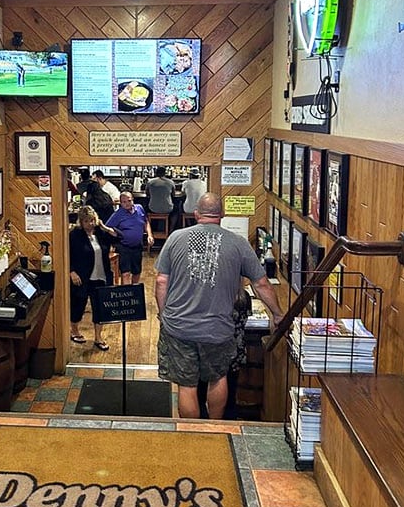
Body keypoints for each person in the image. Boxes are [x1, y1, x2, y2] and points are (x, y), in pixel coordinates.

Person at [154, 192, 283, 420]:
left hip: (179, 326)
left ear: (196, 214)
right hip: (218, 327)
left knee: (187, 384)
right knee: (218, 376)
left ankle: (191, 434)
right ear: (222, 215)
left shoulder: (175, 238)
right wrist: (277, 313)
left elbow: (161, 280)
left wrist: (164, 314)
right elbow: (262, 283)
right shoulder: (238, 243)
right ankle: (215, 430)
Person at [69, 206, 116, 351]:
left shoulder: (100, 233)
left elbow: (117, 237)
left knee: (100, 308)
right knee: (78, 305)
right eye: (87, 221)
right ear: (81, 222)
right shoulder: (75, 235)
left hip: (100, 276)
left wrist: (104, 227)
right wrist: (71, 271)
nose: (90, 223)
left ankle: (98, 337)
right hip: (82, 277)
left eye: (92, 220)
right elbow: (67, 254)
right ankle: (75, 330)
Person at [105, 191, 154, 285]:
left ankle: (134, 292)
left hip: (138, 245)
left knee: (137, 271)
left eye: (129, 201)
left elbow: (146, 221)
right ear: (120, 203)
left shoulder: (139, 208)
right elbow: (108, 227)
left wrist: (149, 235)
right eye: (123, 202)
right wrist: (114, 235)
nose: (127, 204)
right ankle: (126, 294)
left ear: (133, 200)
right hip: (123, 245)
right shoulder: (118, 214)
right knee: (125, 273)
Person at [146, 165, 177, 232]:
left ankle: (150, 230)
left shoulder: (150, 182)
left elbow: (147, 194)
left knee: (144, 208)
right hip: (168, 208)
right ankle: (170, 230)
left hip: (153, 208)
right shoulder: (170, 182)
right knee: (176, 211)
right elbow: (173, 195)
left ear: (156, 173)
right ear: (165, 173)